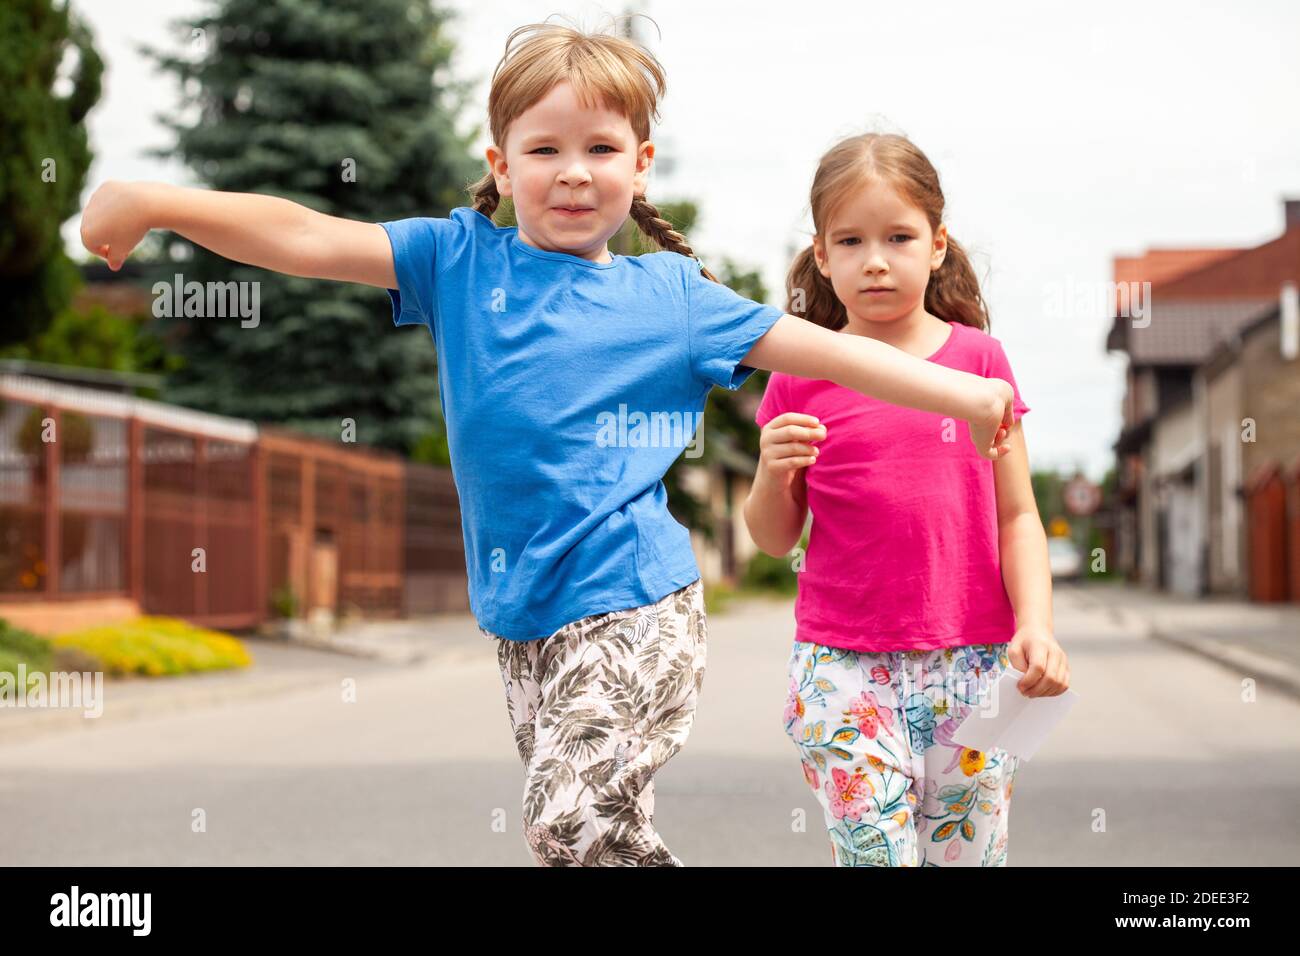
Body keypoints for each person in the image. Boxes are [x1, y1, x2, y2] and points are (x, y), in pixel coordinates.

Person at [79, 21, 1016, 867]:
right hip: (523, 620)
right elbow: (306, 235)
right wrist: (157, 199)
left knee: (564, 819)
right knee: (589, 848)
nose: (574, 171)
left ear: (640, 164)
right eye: (546, 149)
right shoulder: (455, 262)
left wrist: (965, 392)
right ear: (501, 161)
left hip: (637, 607)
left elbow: (828, 352)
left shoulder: (675, 301)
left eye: (601, 148)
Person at [745, 132, 1070, 867]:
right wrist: (771, 473)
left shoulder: (980, 364)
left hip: (979, 668)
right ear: (823, 257)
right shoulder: (800, 370)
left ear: (938, 244)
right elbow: (773, 537)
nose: (877, 260)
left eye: (899, 236)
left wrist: (1038, 626)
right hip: (841, 669)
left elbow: (1017, 514)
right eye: (851, 241)